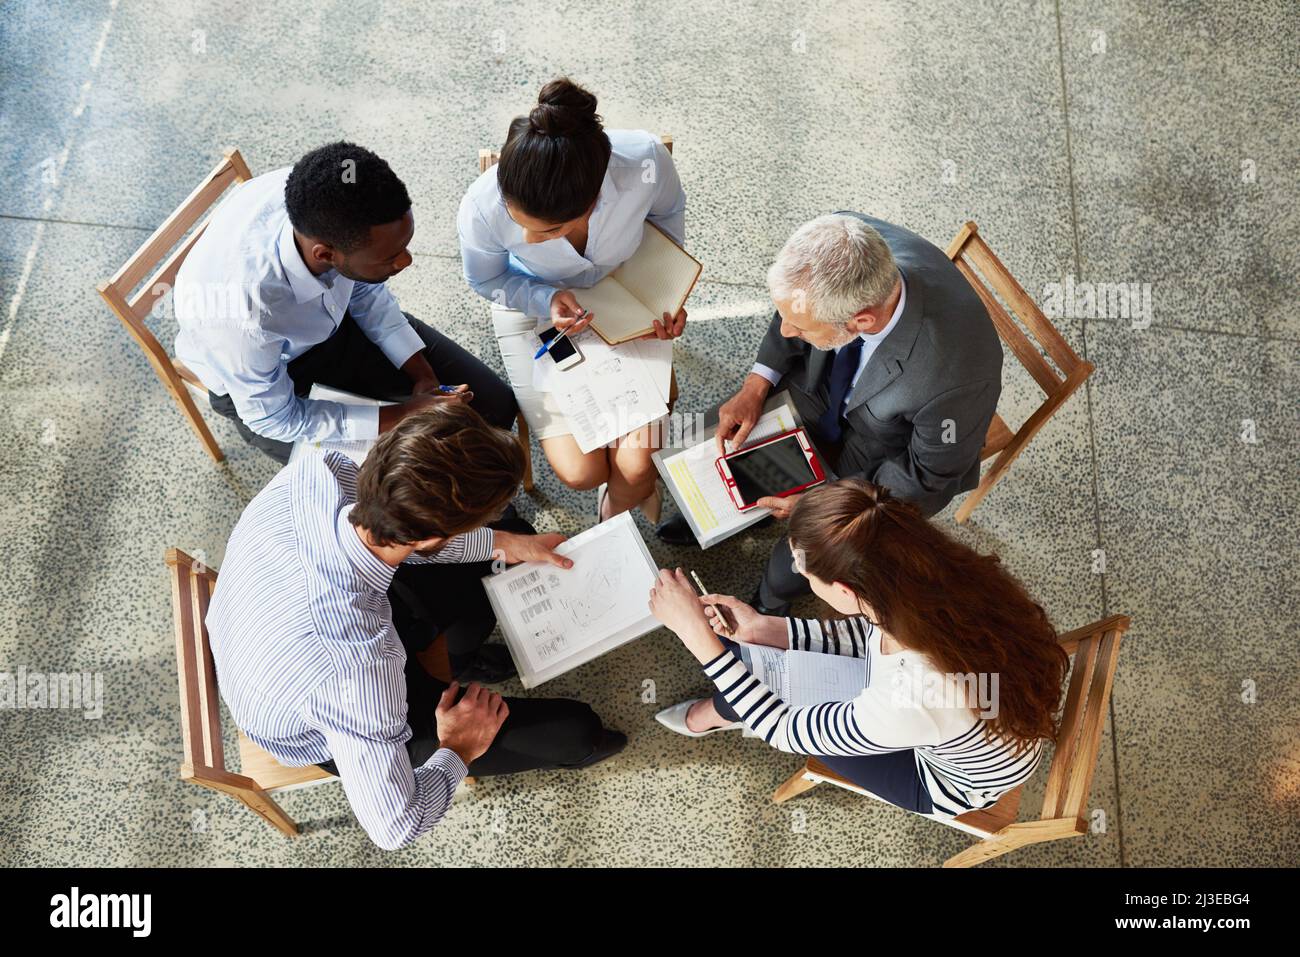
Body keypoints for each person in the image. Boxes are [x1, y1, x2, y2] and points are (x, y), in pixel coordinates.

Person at [205, 403, 625, 850]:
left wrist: (504, 540)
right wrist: (458, 748)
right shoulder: (360, 669)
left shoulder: (318, 472)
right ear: (426, 537)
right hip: (319, 717)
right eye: (471, 524)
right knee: (575, 729)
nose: (484, 526)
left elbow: (399, 534)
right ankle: (579, 743)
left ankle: (466, 659)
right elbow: (393, 828)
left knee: (504, 544)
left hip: (275, 628)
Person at [648, 479, 1068, 819]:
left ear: (846, 590)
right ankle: (723, 709)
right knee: (755, 665)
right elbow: (869, 636)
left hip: (946, 780)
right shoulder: (929, 575)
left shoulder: (915, 694)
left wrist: (699, 641)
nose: (800, 575)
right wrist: (769, 628)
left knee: (758, 690)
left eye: (803, 571)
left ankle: (721, 713)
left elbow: (783, 730)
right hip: (996, 717)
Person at [656, 213, 1002, 614]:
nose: (785, 331)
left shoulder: (955, 378)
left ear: (861, 321)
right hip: (819, 390)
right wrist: (756, 384)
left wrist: (821, 501)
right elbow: (792, 308)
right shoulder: (841, 237)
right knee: (718, 439)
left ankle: (770, 604)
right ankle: (721, 516)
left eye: (800, 328)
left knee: (799, 559)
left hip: (883, 455)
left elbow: (927, 477)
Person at [175, 141, 516, 463]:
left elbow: (364, 288)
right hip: (269, 385)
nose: (406, 261)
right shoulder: (243, 315)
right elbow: (274, 419)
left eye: (405, 245)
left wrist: (421, 375)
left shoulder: (326, 196)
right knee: (435, 478)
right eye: (390, 257)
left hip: (336, 325)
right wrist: (405, 413)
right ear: (324, 254)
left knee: (495, 406)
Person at [458, 77, 688, 521]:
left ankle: (615, 513)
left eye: (547, 232)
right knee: (580, 471)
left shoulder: (644, 162)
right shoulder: (480, 206)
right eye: (518, 222)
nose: (527, 239)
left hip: (625, 291)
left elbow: (668, 214)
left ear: (594, 200)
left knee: (637, 462)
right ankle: (631, 492)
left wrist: (665, 291)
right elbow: (488, 280)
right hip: (529, 308)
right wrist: (545, 299)